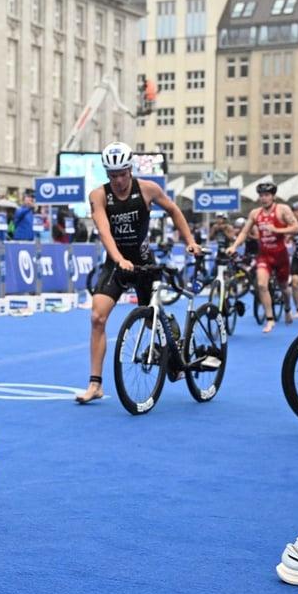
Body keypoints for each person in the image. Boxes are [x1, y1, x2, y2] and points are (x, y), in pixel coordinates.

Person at [75, 142, 202, 404]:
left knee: (152, 321)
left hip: (144, 264)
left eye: (123, 174)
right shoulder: (98, 195)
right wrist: (119, 259)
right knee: (97, 317)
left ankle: (172, 341)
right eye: (113, 176)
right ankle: (95, 384)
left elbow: (173, 210)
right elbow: (104, 231)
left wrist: (189, 240)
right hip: (117, 263)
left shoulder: (147, 189)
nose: (119, 181)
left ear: (130, 169)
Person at [227, 182, 297, 333]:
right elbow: (244, 232)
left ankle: (287, 308)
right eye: (261, 196)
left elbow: (296, 228)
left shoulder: (282, 209)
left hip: (281, 255)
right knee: (261, 285)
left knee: (284, 287)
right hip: (264, 255)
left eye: (267, 195)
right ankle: (270, 319)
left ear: (273, 196)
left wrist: (277, 230)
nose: (264, 198)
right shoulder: (255, 213)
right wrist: (234, 246)